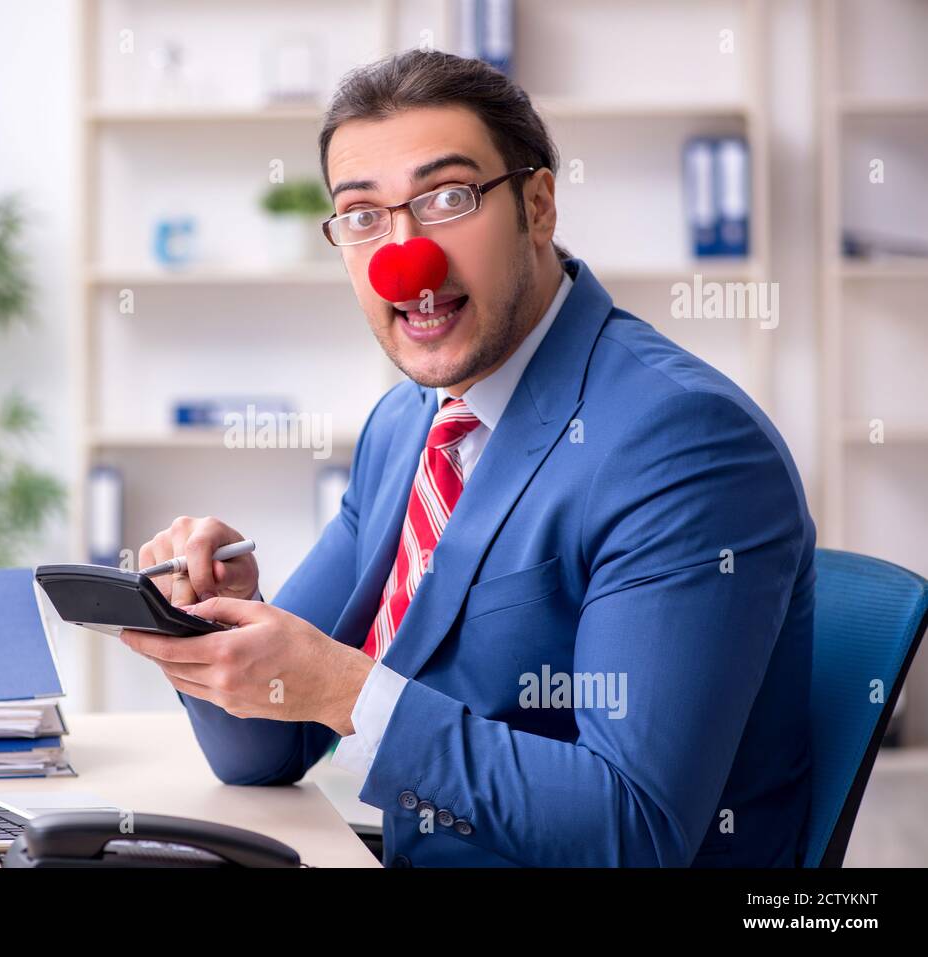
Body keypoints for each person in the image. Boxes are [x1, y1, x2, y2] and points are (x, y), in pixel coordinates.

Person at [121, 50, 814, 867]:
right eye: (363, 215)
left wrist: (343, 688)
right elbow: (263, 753)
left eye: (448, 198)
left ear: (538, 204)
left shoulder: (683, 442)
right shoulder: (406, 423)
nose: (403, 257)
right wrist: (213, 621)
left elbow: (637, 832)